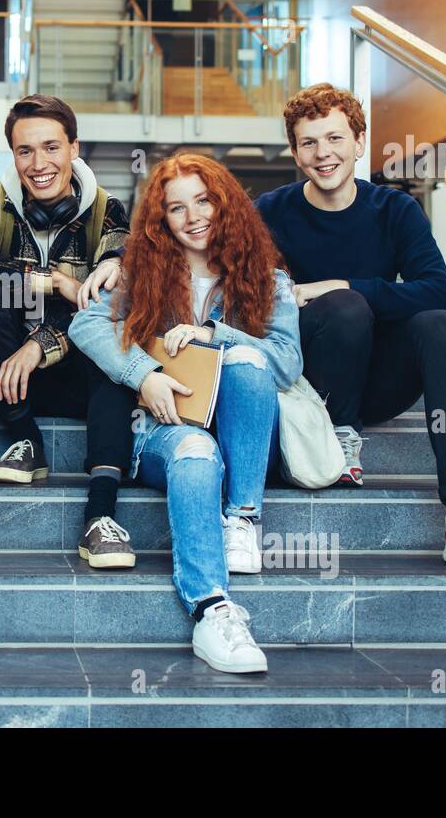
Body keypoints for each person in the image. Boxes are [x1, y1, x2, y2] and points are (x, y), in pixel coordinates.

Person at [254, 83, 446, 575]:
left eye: (334, 138)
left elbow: (437, 291)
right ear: (294, 151)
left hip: (379, 378)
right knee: (346, 308)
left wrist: (339, 283)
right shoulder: (271, 211)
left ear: (359, 142)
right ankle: (339, 436)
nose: (323, 153)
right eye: (308, 143)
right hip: (307, 381)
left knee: (435, 324)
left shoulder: (394, 209)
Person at [70, 154, 300, 673]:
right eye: (177, 208)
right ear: (162, 220)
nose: (193, 216)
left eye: (204, 201)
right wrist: (144, 374)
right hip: (165, 431)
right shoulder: (142, 271)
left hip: (241, 432)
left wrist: (215, 334)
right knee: (197, 450)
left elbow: (287, 363)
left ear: (226, 204)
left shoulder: (268, 278)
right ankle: (211, 609)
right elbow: (86, 324)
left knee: (247, 358)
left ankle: (242, 518)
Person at [0, 94, 137, 569]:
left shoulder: (109, 212)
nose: (38, 164)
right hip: (2, 377)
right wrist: (53, 282)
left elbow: (109, 305)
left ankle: (100, 517)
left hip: (74, 372)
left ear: (75, 147)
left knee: (114, 344)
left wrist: (40, 344)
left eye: (51, 147)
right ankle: (26, 440)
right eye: (24, 151)